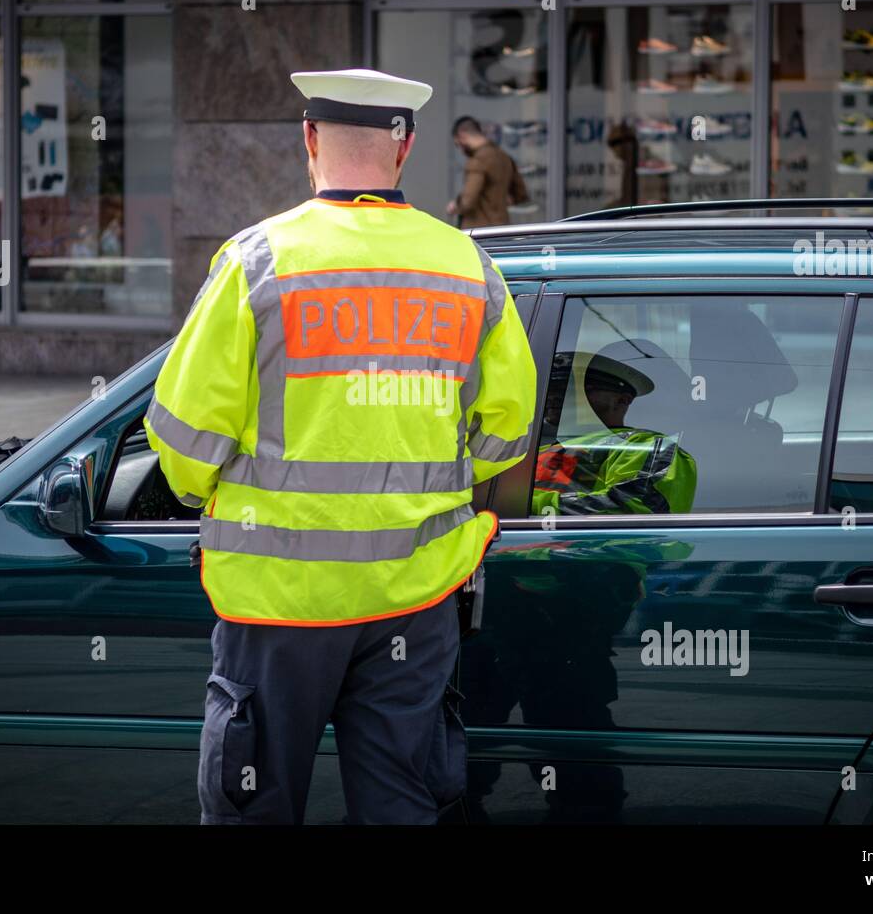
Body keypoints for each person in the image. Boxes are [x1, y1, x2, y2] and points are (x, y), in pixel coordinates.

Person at [145, 68, 537, 825]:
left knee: (254, 807)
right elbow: (504, 436)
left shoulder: (257, 262)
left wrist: (215, 491)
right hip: (413, 601)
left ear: (309, 140)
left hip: (277, 604)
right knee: (401, 804)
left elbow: (185, 444)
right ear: (407, 147)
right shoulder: (466, 266)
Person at [532, 345, 697, 516]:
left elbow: (628, 511)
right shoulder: (529, 449)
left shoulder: (646, 446)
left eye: (574, 390)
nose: (555, 396)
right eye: (551, 390)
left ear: (622, 400)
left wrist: (525, 505)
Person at [446, 116, 529, 228]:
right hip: (502, 229)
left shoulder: (477, 160)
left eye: (458, 144)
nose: (461, 150)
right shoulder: (504, 157)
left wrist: (455, 206)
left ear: (463, 135)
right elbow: (521, 194)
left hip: (479, 231)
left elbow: (468, 201)